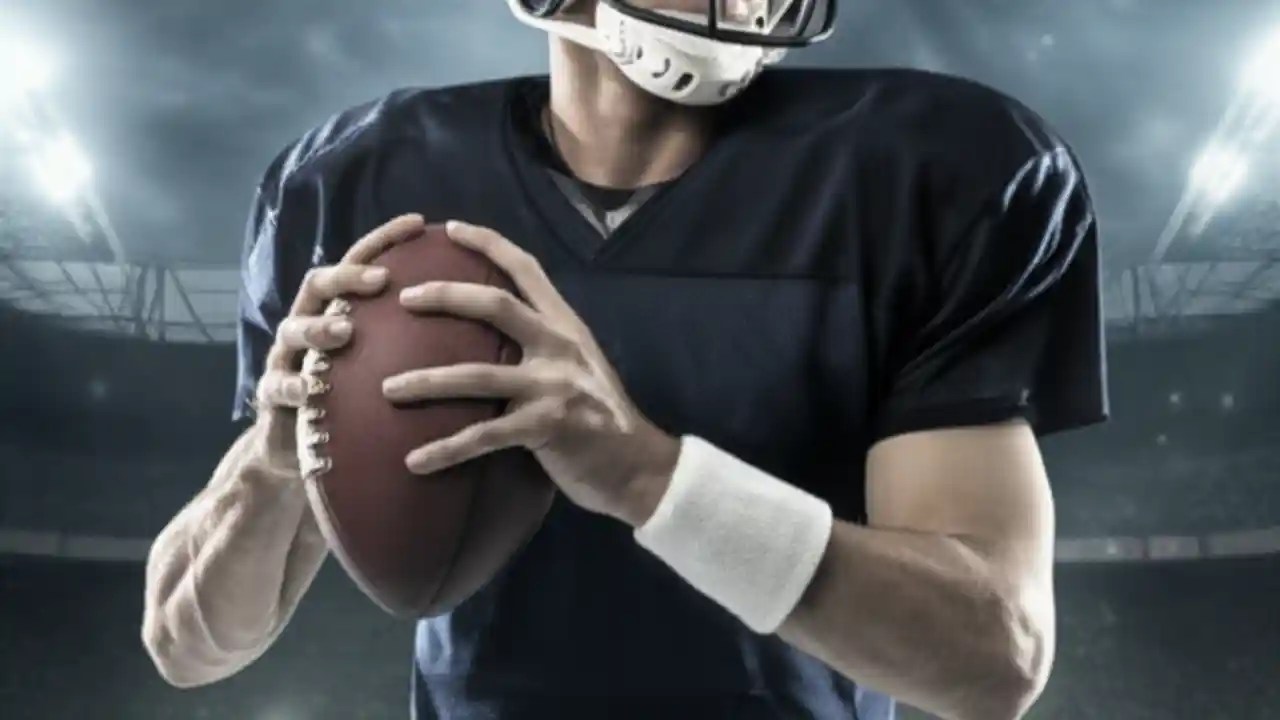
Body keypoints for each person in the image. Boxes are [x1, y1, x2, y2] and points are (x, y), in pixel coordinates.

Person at [141, 1, 1107, 718]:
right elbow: (187, 644)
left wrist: (643, 472)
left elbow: (996, 655)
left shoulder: (929, 172)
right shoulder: (352, 183)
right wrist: (275, 460)